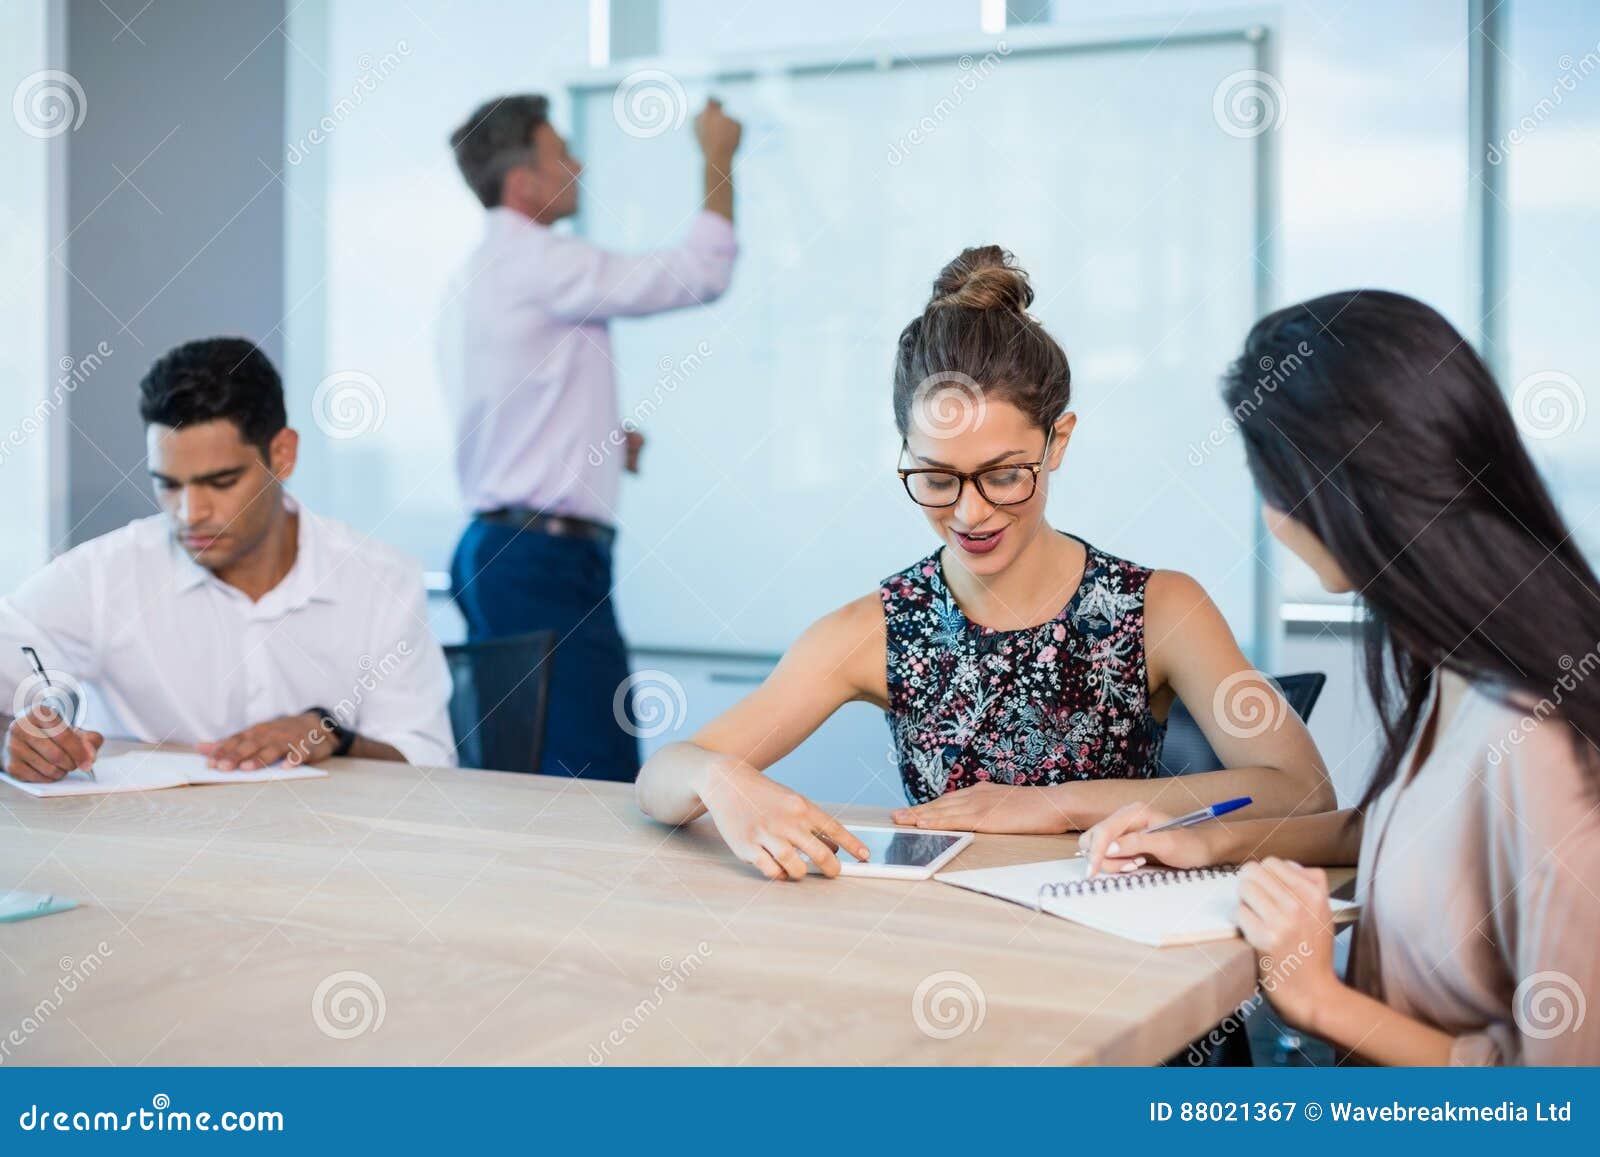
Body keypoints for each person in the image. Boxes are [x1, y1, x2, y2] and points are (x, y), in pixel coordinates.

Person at [635, 246, 1333, 880]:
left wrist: (1056, 806)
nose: (970, 513)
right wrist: (723, 780)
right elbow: (662, 775)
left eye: (1003, 475)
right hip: (951, 957)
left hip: (1117, 952)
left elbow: (1302, 789)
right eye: (937, 478)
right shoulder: (876, 628)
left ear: (1057, 441)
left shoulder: (1160, 608)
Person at [1080, 291, 1600, 1065]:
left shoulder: (1536, 730)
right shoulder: (1461, 663)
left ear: (1332, 488)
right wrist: (1205, 840)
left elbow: (1560, 1100)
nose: (1268, 513)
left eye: (1268, 477)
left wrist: (1318, 997)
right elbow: (1402, 831)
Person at [439, 92, 742, 783]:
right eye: (561, 155)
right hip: (542, 562)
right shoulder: (542, 261)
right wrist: (717, 158)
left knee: (530, 771)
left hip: (501, 553)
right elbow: (700, 273)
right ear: (523, 184)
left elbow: (514, 404)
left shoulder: (477, 274)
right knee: (591, 777)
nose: (576, 166)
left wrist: (598, 438)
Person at [0, 338, 455, 782]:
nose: (190, 513)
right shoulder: (104, 573)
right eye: (169, 484)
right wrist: (10, 741)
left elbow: (428, 767)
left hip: (329, 847)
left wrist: (332, 733)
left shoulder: (381, 579)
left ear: (282, 454)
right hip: (150, 846)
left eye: (221, 482)